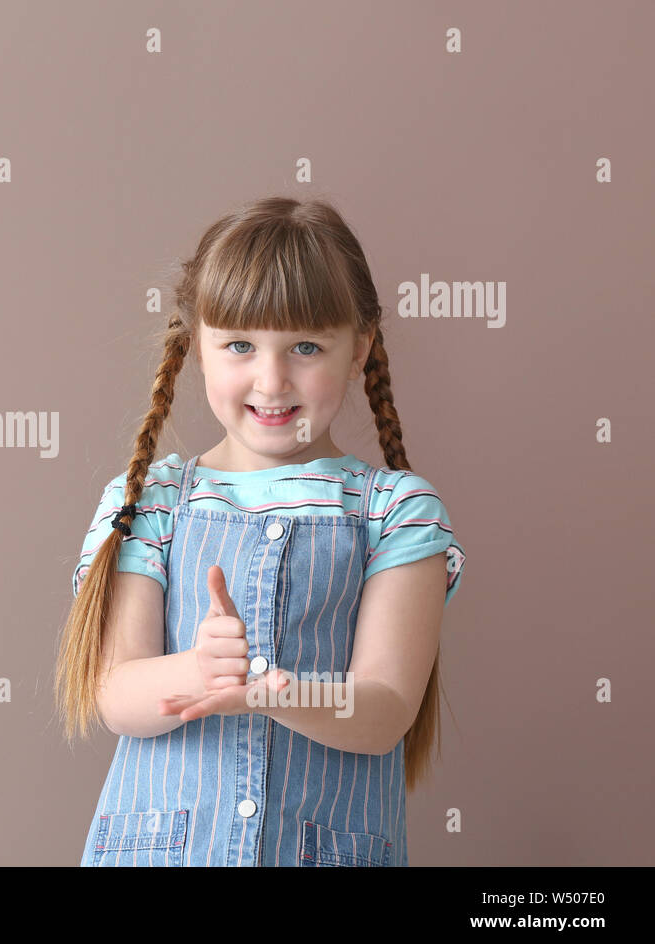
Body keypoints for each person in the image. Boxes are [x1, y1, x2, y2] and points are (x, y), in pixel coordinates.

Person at [55, 196, 466, 866]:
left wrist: (268, 688)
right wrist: (198, 672)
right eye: (240, 345)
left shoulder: (398, 513)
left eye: (306, 346)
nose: (271, 380)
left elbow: (386, 709)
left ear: (359, 346)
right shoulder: (150, 502)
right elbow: (115, 694)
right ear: (196, 345)